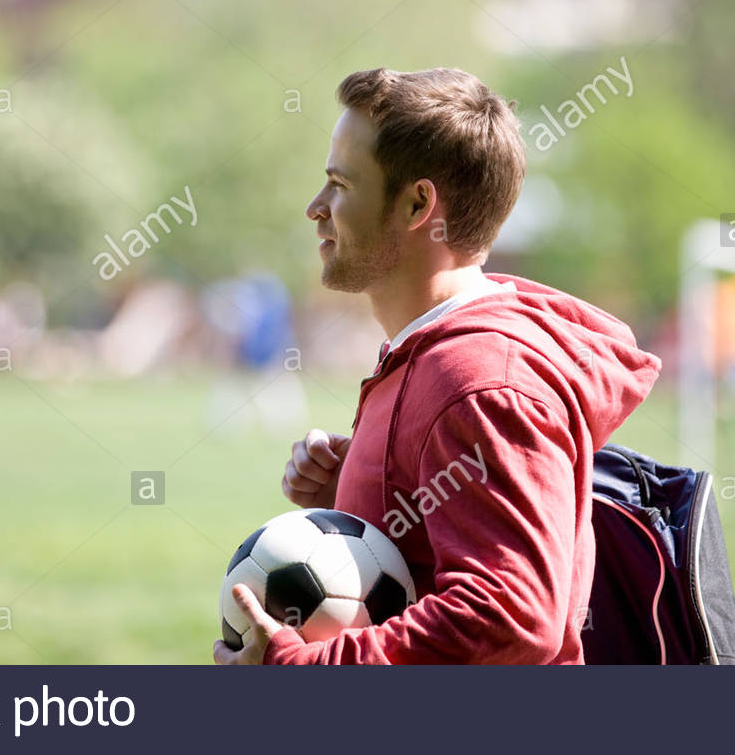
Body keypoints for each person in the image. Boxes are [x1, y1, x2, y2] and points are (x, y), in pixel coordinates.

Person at [213, 67, 661, 665]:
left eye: (340, 184)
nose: (314, 208)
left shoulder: (478, 381)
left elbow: (512, 615)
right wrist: (372, 486)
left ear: (418, 203)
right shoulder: (432, 352)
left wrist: (305, 668)